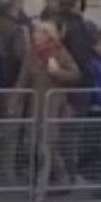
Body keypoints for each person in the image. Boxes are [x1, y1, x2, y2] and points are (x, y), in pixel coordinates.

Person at [22, 19, 81, 191]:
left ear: (47, 35)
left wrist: (57, 72)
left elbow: (75, 75)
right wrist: (15, 101)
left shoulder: (60, 53)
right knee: (36, 145)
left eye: (37, 32)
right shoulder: (31, 54)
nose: (34, 35)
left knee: (46, 146)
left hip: (53, 106)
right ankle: (62, 179)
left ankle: (42, 186)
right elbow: (23, 79)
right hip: (34, 105)